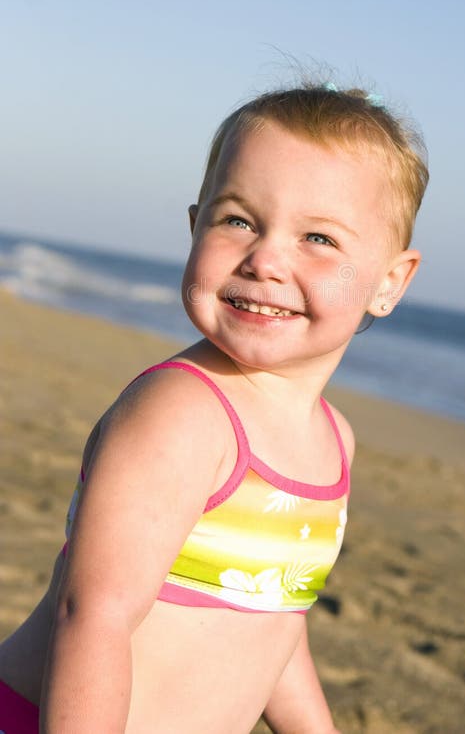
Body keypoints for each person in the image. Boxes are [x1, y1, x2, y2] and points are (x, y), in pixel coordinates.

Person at [0, 81, 428, 733]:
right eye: (237, 221)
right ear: (194, 226)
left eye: (318, 238)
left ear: (389, 282)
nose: (265, 260)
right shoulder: (183, 411)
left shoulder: (335, 440)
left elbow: (272, 615)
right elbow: (95, 616)